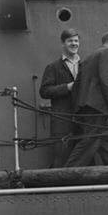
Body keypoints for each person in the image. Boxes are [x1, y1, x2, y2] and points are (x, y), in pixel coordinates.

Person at [64, 28, 108, 168]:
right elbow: (106, 79)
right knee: (89, 143)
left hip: (88, 108)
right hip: (96, 108)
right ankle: (65, 175)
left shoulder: (92, 56)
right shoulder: (107, 52)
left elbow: (77, 86)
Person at [39, 28, 81, 167]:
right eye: (70, 41)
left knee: (83, 158)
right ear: (63, 43)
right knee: (61, 156)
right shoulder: (53, 67)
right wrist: (67, 87)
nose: (74, 44)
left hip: (83, 119)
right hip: (62, 120)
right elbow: (44, 91)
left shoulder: (85, 65)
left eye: (76, 40)